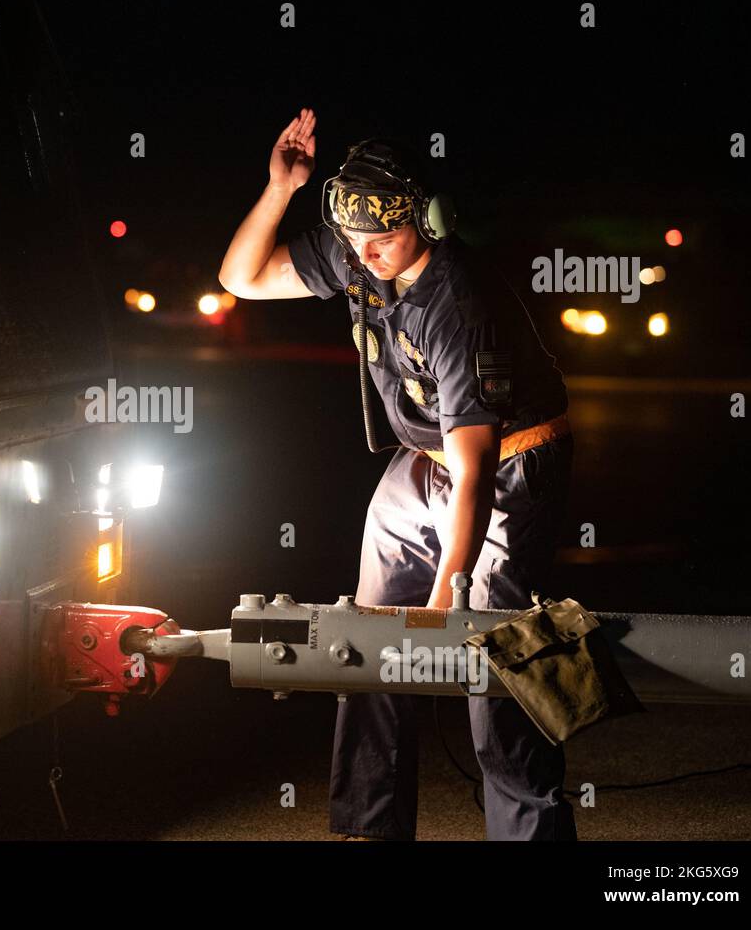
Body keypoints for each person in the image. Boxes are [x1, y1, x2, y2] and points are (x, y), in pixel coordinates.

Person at [218, 109, 577, 841]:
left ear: (426, 219)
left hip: (506, 464)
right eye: (353, 240)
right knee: (368, 641)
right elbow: (240, 278)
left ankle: (529, 833)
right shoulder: (358, 246)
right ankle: (370, 828)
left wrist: (446, 603)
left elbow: (476, 471)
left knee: (495, 658)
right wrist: (280, 189)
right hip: (422, 461)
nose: (366, 254)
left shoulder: (459, 304)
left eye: (382, 238)